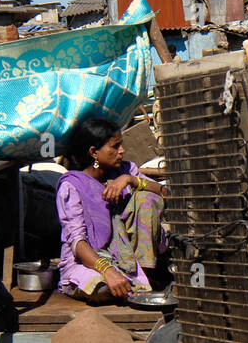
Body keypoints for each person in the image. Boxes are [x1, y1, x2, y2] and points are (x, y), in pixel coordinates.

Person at [55, 117, 167, 302]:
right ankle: (135, 283)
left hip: (128, 259)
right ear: (94, 152)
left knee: (147, 198)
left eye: (121, 145)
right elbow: (77, 241)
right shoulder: (72, 186)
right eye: (115, 147)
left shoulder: (126, 170)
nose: (122, 151)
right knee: (102, 288)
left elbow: (166, 192)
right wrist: (107, 270)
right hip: (89, 260)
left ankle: (144, 274)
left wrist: (132, 180)